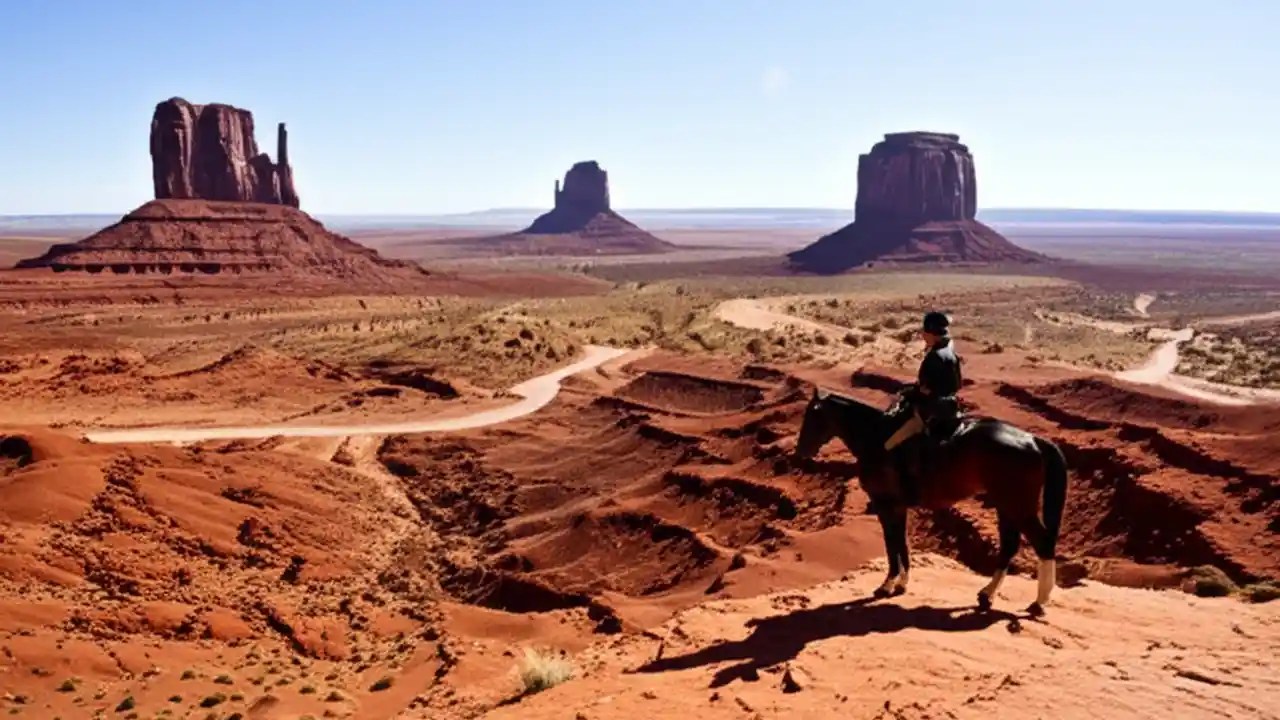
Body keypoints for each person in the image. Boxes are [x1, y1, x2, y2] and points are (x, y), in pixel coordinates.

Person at [883, 310, 964, 504]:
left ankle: (908, 488)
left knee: (892, 442)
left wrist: (911, 393)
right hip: (951, 406)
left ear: (931, 333)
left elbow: (927, 391)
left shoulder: (934, 357)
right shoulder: (950, 351)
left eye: (924, 332)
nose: (922, 335)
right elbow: (956, 384)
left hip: (933, 410)